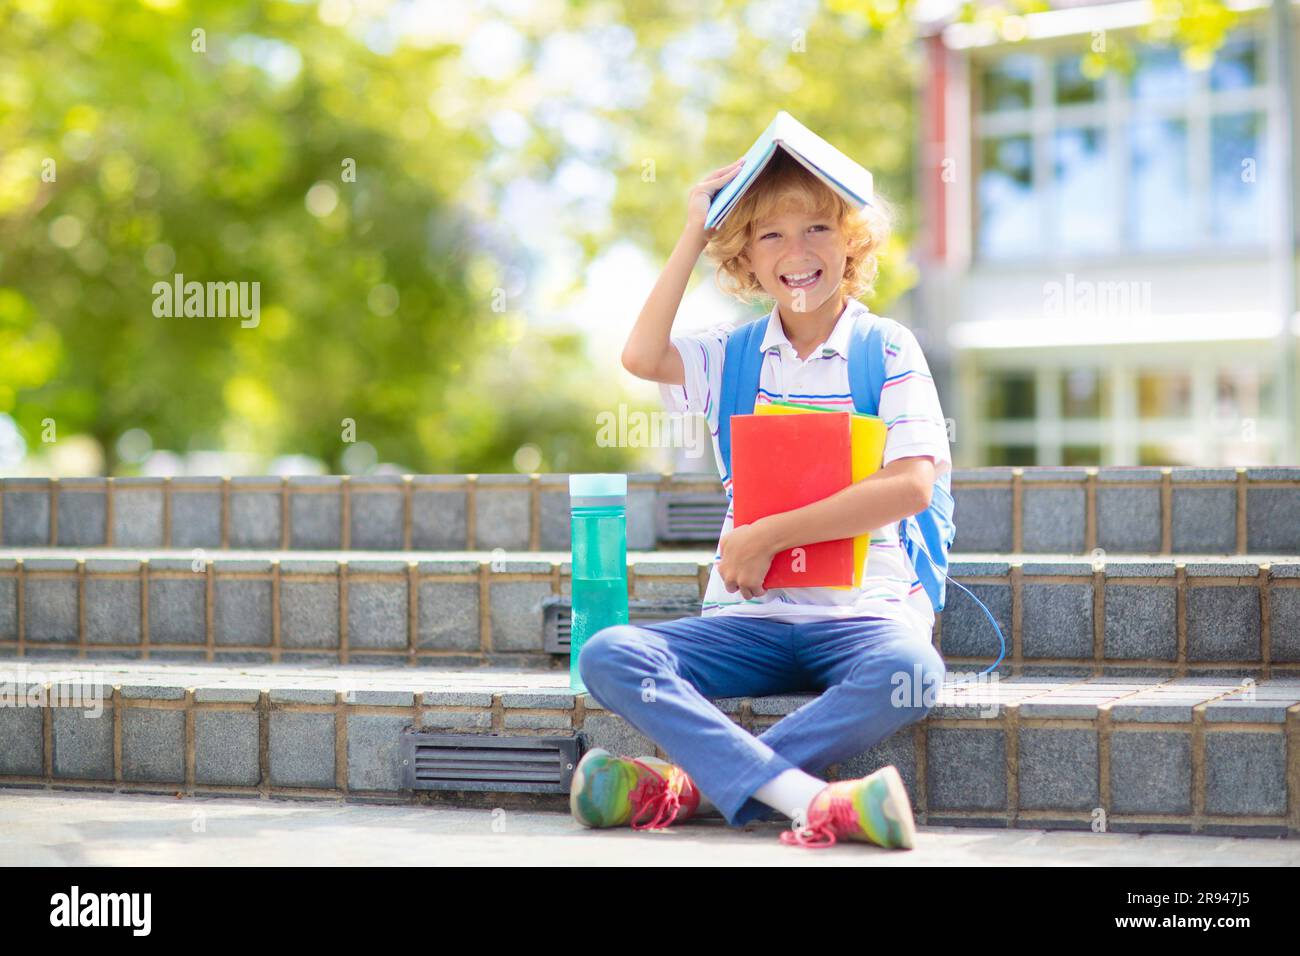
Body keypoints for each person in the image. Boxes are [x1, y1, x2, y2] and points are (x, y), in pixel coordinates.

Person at [570, 148, 951, 850]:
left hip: (864, 615)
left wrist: (766, 534)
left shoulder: (886, 348)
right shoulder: (731, 354)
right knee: (608, 652)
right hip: (752, 616)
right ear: (745, 258)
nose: (797, 252)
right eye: (770, 234)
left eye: (818, 230)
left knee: (914, 672)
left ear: (852, 245)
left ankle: (683, 788)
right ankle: (806, 797)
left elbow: (910, 484)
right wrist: (695, 227)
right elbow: (642, 356)